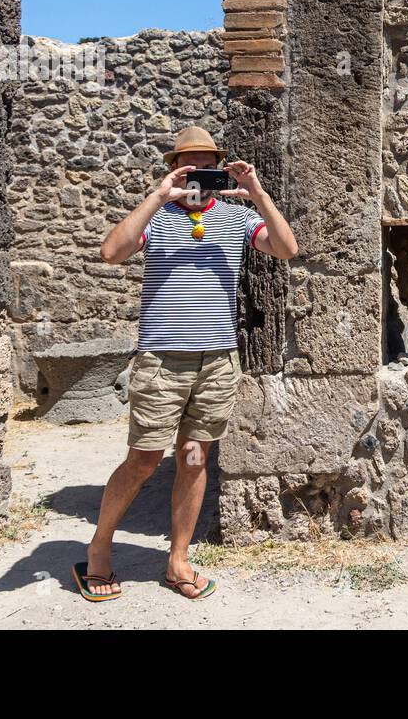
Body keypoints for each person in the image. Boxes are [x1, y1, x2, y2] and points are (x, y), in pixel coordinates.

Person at [73, 126, 297, 601]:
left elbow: (286, 248)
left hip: (215, 365)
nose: (198, 178)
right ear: (174, 169)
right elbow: (110, 253)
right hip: (161, 365)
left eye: (207, 168)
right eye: (188, 167)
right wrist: (158, 196)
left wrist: (257, 193)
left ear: (220, 169)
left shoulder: (237, 220)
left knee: (194, 460)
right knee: (144, 461)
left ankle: (178, 560)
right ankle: (98, 549)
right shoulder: (158, 217)